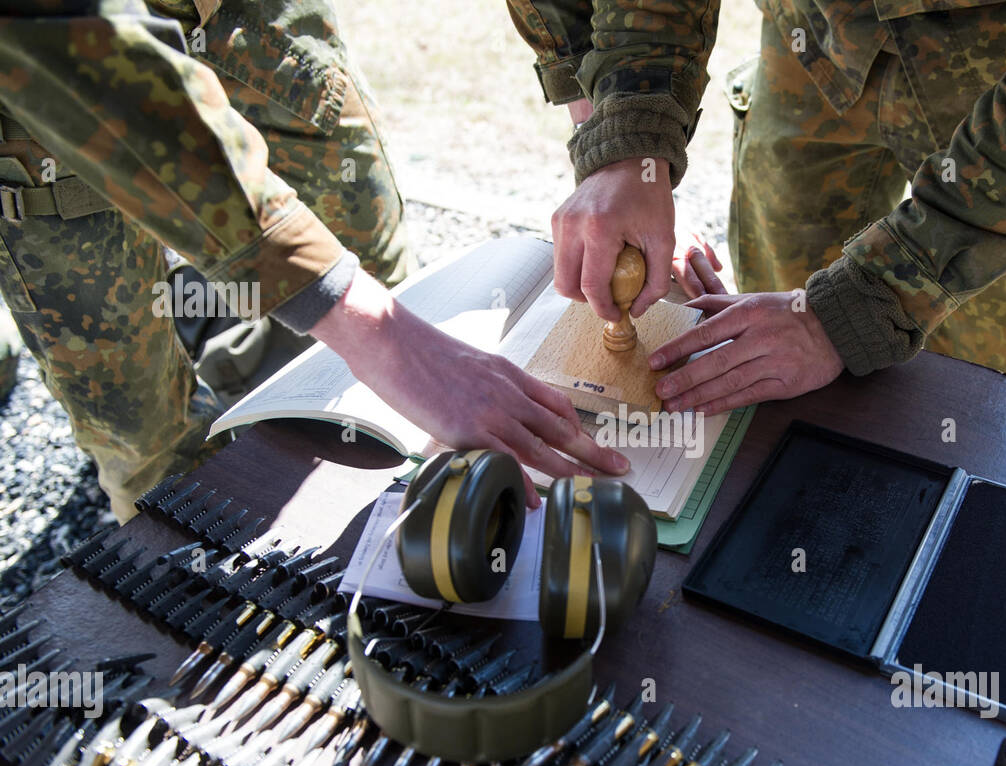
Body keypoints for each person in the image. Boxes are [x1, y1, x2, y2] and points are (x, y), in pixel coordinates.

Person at [0, 0, 626, 522]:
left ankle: (280, 402)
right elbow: (85, 43)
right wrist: (381, 336)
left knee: (374, 259)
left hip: (246, 20)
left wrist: (607, 122)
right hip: (42, 102)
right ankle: (185, 580)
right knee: (140, 426)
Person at [509, 0, 1006, 414]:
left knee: (999, 423)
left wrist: (862, 308)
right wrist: (626, 140)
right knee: (772, 359)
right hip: (808, 36)